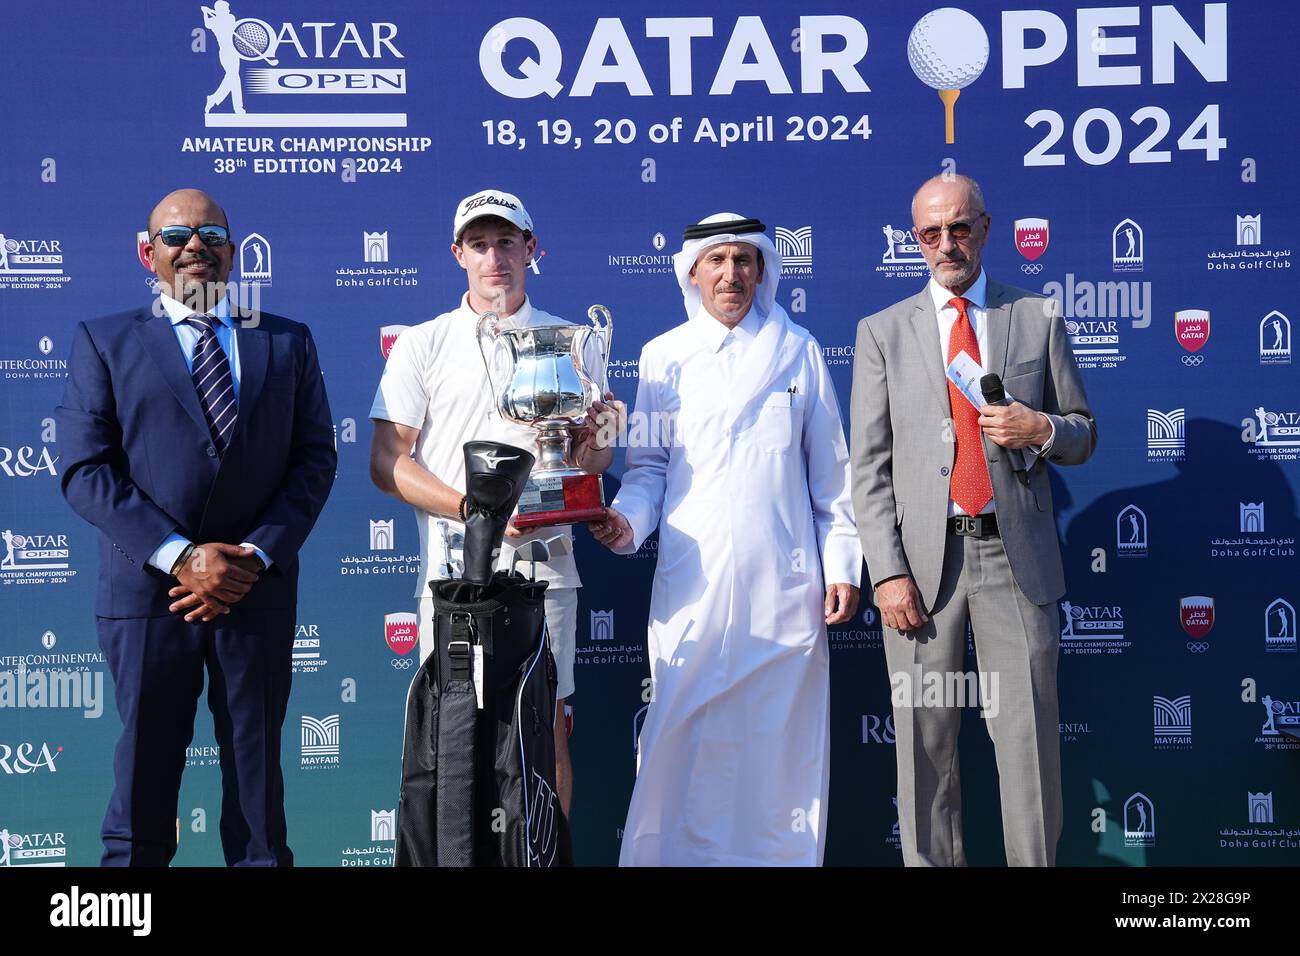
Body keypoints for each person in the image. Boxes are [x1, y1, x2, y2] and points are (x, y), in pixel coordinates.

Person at [56, 188, 336, 866]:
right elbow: (84, 469)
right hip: (149, 598)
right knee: (143, 786)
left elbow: (314, 458)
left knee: (258, 794)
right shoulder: (105, 341)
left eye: (211, 234)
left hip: (254, 593)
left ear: (233, 253)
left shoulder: (287, 341)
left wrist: (252, 556)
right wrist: (181, 557)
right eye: (176, 234)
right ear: (146, 252)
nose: (194, 246)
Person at [590, 213, 862, 866]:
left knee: (779, 749)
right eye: (717, 261)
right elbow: (649, 470)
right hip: (693, 585)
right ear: (692, 273)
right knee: (681, 741)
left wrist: (842, 566)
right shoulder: (664, 358)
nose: (731, 273)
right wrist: (627, 522)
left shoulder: (799, 350)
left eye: (744, 260)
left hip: (785, 590)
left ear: (762, 270)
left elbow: (833, 481)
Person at [849, 174, 1097, 866]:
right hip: (924, 575)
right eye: (932, 233)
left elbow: (1083, 433)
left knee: (1027, 747)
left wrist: (1040, 426)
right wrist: (889, 573)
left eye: (960, 227)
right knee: (925, 747)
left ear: (987, 229)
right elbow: (867, 468)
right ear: (916, 241)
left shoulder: (1036, 317)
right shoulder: (881, 333)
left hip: (1015, 567)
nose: (947, 244)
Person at [369, 189, 618, 819]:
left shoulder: (573, 341)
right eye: (478, 244)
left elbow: (592, 463)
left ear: (531, 249)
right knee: (455, 739)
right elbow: (386, 460)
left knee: (547, 734)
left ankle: (546, 860)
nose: (493, 257)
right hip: (453, 577)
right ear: (458, 254)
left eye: (506, 241)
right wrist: (476, 512)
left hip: (546, 572)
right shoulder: (421, 344)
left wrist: (600, 437)